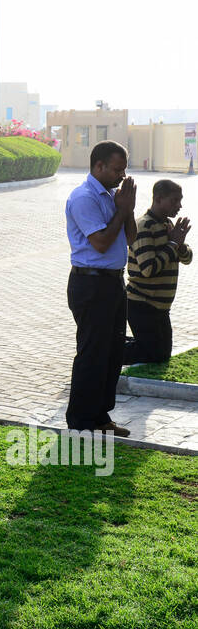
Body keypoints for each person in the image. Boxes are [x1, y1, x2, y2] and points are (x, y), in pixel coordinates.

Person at [65, 141, 137, 434]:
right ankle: (81, 421)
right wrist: (121, 211)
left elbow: (130, 237)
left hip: (113, 283)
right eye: (117, 169)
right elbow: (101, 242)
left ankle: (100, 417)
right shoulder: (84, 198)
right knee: (92, 353)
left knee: (112, 352)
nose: (122, 175)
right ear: (99, 166)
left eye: (124, 169)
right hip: (90, 283)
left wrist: (127, 210)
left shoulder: (112, 197)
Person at [124, 180, 192, 364]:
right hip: (142, 303)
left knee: (161, 354)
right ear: (159, 199)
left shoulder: (167, 225)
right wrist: (172, 244)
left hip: (160, 307)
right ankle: (104, 351)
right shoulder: (143, 226)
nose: (179, 206)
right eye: (174, 200)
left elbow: (187, 259)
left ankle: (110, 345)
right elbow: (148, 269)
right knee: (152, 354)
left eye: (180, 200)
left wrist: (179, 244)